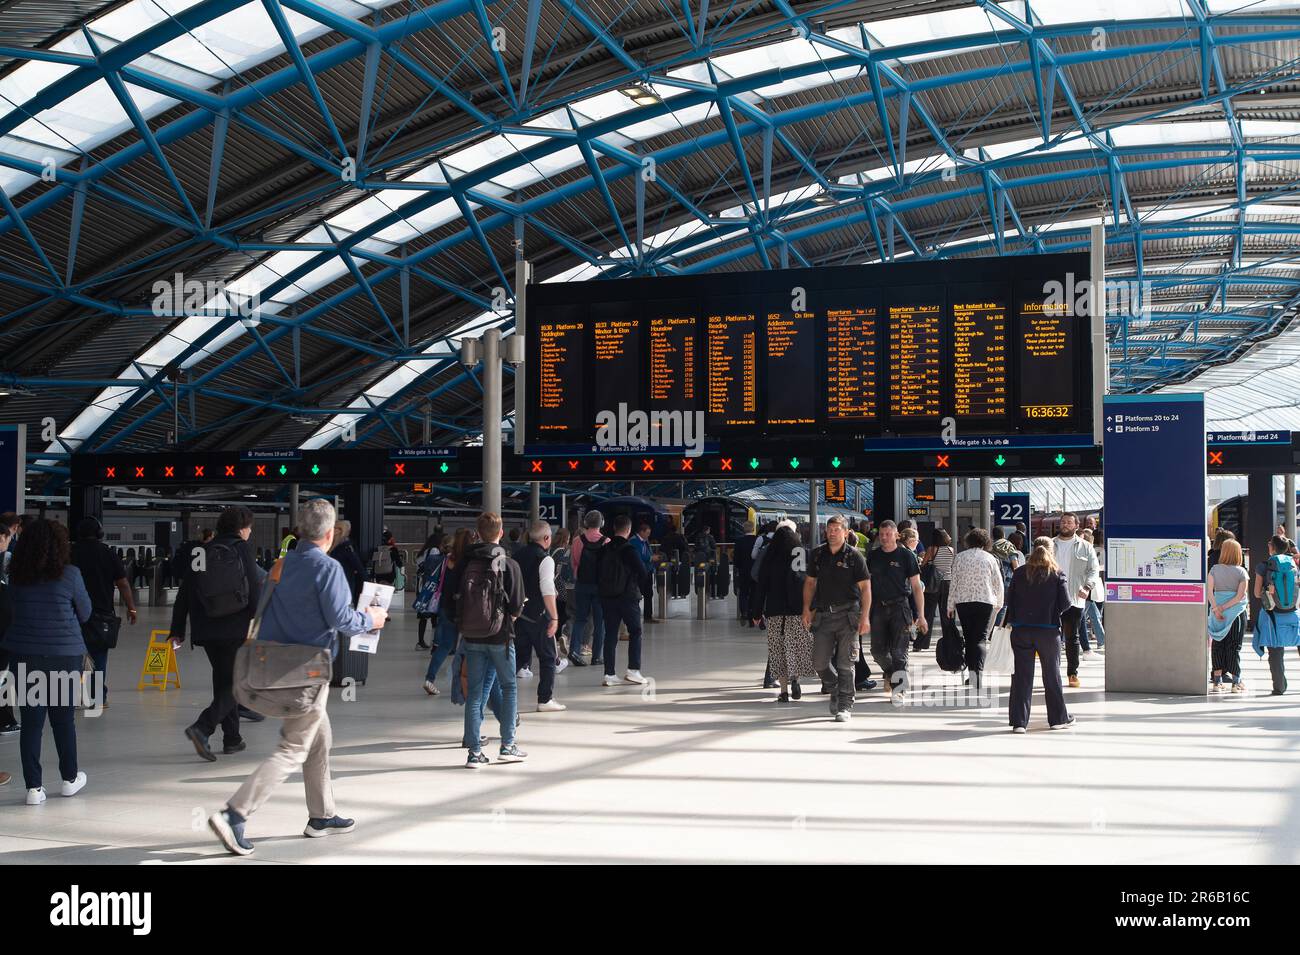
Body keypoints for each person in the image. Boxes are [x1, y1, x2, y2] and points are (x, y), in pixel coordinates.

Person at [208, 499, 388, 856]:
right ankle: (235, 813)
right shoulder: (328, 568)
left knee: (319, 740)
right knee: (292, 748)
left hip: (271, 663)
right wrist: (372, 620)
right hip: (308, 670)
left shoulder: (280, 564)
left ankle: (321, 815)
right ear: (329, 532)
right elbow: (343, 621)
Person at [2, 519, 91, 804]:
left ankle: (33, 789)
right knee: (63, 720)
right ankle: (69, 778)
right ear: (60, 545)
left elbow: (14, 612)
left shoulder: (16, 576)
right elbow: (86, 612)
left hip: (26, 654)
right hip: (65, 654)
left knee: (31, 722)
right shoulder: (71, 574)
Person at [174, 506, 263, 761]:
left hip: (207, 626)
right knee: (239, 684)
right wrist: (258, 623)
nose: (249, 532)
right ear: (242, 528)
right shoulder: (242, 548)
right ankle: (202, 727)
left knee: (224, 680)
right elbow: (254, 589)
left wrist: (177, 630)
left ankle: (232, 739)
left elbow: (186, 591)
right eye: (249, 527)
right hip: (236, 626)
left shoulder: (201, 550)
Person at [459, 512, 526, 768]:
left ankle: (474, 752)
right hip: (501, 637)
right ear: (500, 532)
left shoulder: (466, 563)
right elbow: (518, 604)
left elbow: (452, 599)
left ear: (477, 532)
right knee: (509, 688)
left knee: (475, 693)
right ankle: (508, 745)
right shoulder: (508, 564)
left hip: (472, 636)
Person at [803, 515, 870, 720]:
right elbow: (810, 583)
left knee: (845, 663)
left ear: (846, 532)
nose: (831, 532)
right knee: (819, 662)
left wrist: (865, 617)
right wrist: (807, 608)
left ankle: (845, 705)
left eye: (836, 529)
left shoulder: (854, 556)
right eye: (829, 529)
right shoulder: (817, 554)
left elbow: (866, 588)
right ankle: (834, 688)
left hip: (848, 615)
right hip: (823, 615)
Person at [1004, 541, 1074, 732]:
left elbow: (1008, 601)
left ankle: (1019, 723)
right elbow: (1066, 603)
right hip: (1048, 631)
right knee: (1052, 675)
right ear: (1051, 552)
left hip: (1021, 631)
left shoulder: (1019, 573)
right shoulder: (1057, 573)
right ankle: (1058, 719)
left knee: (1021, 677)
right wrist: (1052, 612)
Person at [69, 517, 137, 707]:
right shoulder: (107, 552)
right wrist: (131, 607)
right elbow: (122, 583)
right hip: (101, 614)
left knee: (73, 655)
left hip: (72, 613)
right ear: (100, 533)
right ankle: (97, 698)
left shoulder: (70, 552)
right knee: (98, 657)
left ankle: (72, 697)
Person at [751, 521, 815, 702]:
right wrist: (809, 608)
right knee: (795, 646)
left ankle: (784, 691)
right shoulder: (800, 553)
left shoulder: (770, 554)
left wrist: (756, 613)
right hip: (797, 610)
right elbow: (804, 580)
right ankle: (796, 678)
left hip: (775, 610)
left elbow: (760, 586)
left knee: (777, 649)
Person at [865, 520, 926, 703]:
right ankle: (891, 673)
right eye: (881, 535)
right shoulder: (873, 556)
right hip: (878, 608)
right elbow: (865, 586)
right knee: (877, 651)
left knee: (900, 652)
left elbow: (916, 586)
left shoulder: (906, 556)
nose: (884, 538)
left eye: (888, 534)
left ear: (896, 535)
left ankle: (899, 689)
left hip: (900, 607)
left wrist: (921, 615)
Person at [514, 520, 565, 712]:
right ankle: (545, 699)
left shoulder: (517, 555)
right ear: (545, 538)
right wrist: (554, 617)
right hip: (539, 616)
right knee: (548, 657)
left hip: (519, 615)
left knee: (518, 657)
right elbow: (547, 589)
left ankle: (495, 694)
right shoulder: (546, 559)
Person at [946, 528, 1004, 689]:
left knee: (969, 637)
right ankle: (977, 675)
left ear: (968, 541)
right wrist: (999, 603)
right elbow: (997, 582)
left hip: (963, 602)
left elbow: (954, 583)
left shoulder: (959, 557)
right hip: (985, 601)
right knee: (980, 638)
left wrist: (950, 605)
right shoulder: (990, 558)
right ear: (986, 542)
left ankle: (972, 674)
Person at [597, 513, 651, 687]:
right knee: (635, 631)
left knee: (610, 635)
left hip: (607, 598)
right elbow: (642, 572)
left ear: (614, 529)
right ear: (628, 530)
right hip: (627, 597)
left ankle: (609, 674)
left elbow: (596, 573)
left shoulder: (604, 549)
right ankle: (633, 670)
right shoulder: (629, 550)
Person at [1053, 513, 1101, 688]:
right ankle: (1052, 672)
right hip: (1051, 599)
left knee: (1072, 637)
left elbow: (1093, 570)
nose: (1065, 525)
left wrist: (1087, 587)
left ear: (1076, 525)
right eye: (1063, 522)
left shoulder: (1086, 547)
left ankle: (1072, 673)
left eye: (1069, 522)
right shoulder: (1050, 544)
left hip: (1075, 598)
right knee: (1052, 637)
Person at [425, 528, 475, 696]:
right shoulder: (470, 562)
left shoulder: (448, 560)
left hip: (446, 606)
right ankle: (463, 682)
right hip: (465, 609)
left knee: (445, 646)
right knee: (469, 647)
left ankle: (429, 679)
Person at [1252, 534, 1300, 695]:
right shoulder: (1294, 564)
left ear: (1271, 547)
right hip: (1293, 613)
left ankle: (1279, 687)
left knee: (1276, 652)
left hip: (1273, 615)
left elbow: (1257, 593)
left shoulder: (1263, 566)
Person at [1208, 538, 1249, 692]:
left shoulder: (1214, 569)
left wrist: (1216, 609)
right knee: (1234, 647)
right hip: (1236, 614)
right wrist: (1224, 608)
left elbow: (1209, 591)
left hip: (1217, 613)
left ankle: (1217, 682)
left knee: (1217, 645)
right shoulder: (1241, 572)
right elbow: (1240, 596)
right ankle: (1236, 682)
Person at [568, 510, 608, 668]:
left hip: (582, 585)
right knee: (600, 622)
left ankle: (574, 651)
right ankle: (596, 656)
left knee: (580, 619)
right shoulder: (607, 541)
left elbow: (574, 563)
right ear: (601, 523)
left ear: (585, 523)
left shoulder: (578, 541)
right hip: (600, 587)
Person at [918, 529, 955, 651]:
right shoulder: (951, 550)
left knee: (928, 613)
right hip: (948, 583)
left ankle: (922, 643)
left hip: (934, 583)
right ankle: (950, 641)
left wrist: (924, 561)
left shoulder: (932, 549)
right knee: (946, 614)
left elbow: (923, 565)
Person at [413, 532, 444, 650]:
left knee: (423, 616)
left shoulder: (423, 552)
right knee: (433, 615)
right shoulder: (435, 551)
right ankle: (434, 642)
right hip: (430, 586)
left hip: (422, 586)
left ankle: (420, 641)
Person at [1079, 528, 1105, 653]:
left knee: (1089, 616)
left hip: (1087, 589)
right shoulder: (1099, 551)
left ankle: (1102, 640)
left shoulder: (1086, 552)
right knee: (1092, 616)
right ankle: (1101, 641)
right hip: (1091, 589)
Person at [329, 520, 365, 605]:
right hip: (332, 584)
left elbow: (358, 567)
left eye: (334, 528)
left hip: (344, 585)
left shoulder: (347, 547)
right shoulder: (332, 545)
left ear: (340, 530)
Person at [734, 521, 757, 627]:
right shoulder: (757, 540)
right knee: (753, 593)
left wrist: (738, 568)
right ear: (753, 528)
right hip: (755, 572)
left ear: (744, 529)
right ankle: (752, 613)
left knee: (743, 593)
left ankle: (744, 612)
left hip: (743, 571)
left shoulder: (739, 541)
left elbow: (736, 559)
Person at [633, 523, 656, 624]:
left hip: (648, 571)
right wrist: (650, 558)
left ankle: (648, 616)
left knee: (648, 594)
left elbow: (647, 553)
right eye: (647, 533)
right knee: (637, 594)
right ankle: (634, 616)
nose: (648, 535)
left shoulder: (645, 541)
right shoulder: (634, 542)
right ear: (641, 532)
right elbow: (637, 557)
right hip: (640, 572)